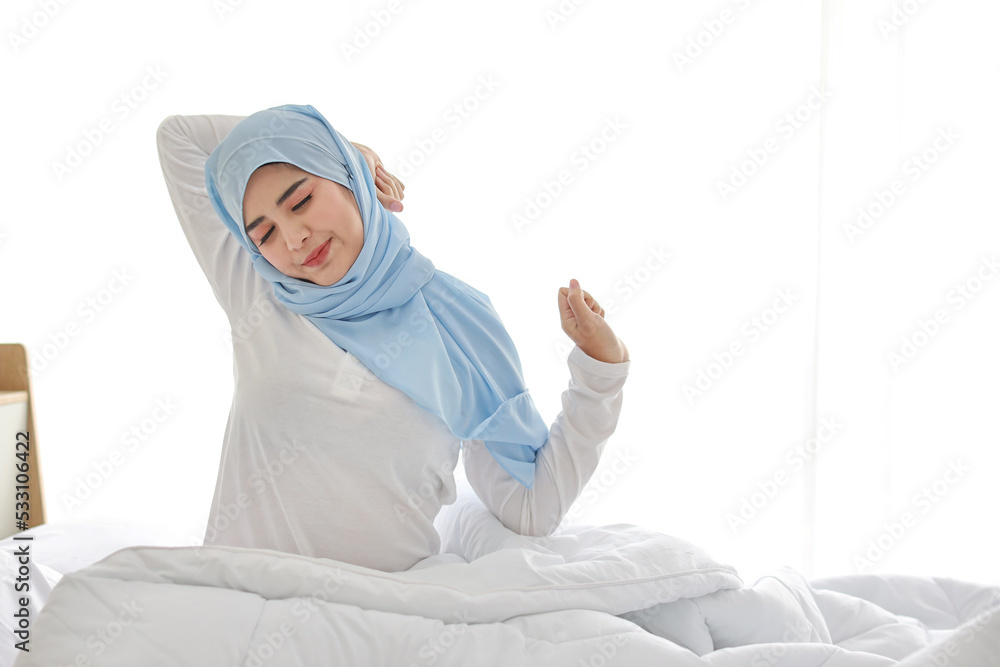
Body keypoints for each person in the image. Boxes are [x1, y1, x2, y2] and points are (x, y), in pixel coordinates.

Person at [155, 103, 630, 572]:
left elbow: (530, 509)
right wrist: (342, 143)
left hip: (380, 609)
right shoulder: (258, 294)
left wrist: (601, 373)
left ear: (348, 179)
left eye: (301, 202)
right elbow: (178, 137)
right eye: (264, 235)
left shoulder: (457, 322)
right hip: (234, 598)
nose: (294, 238)